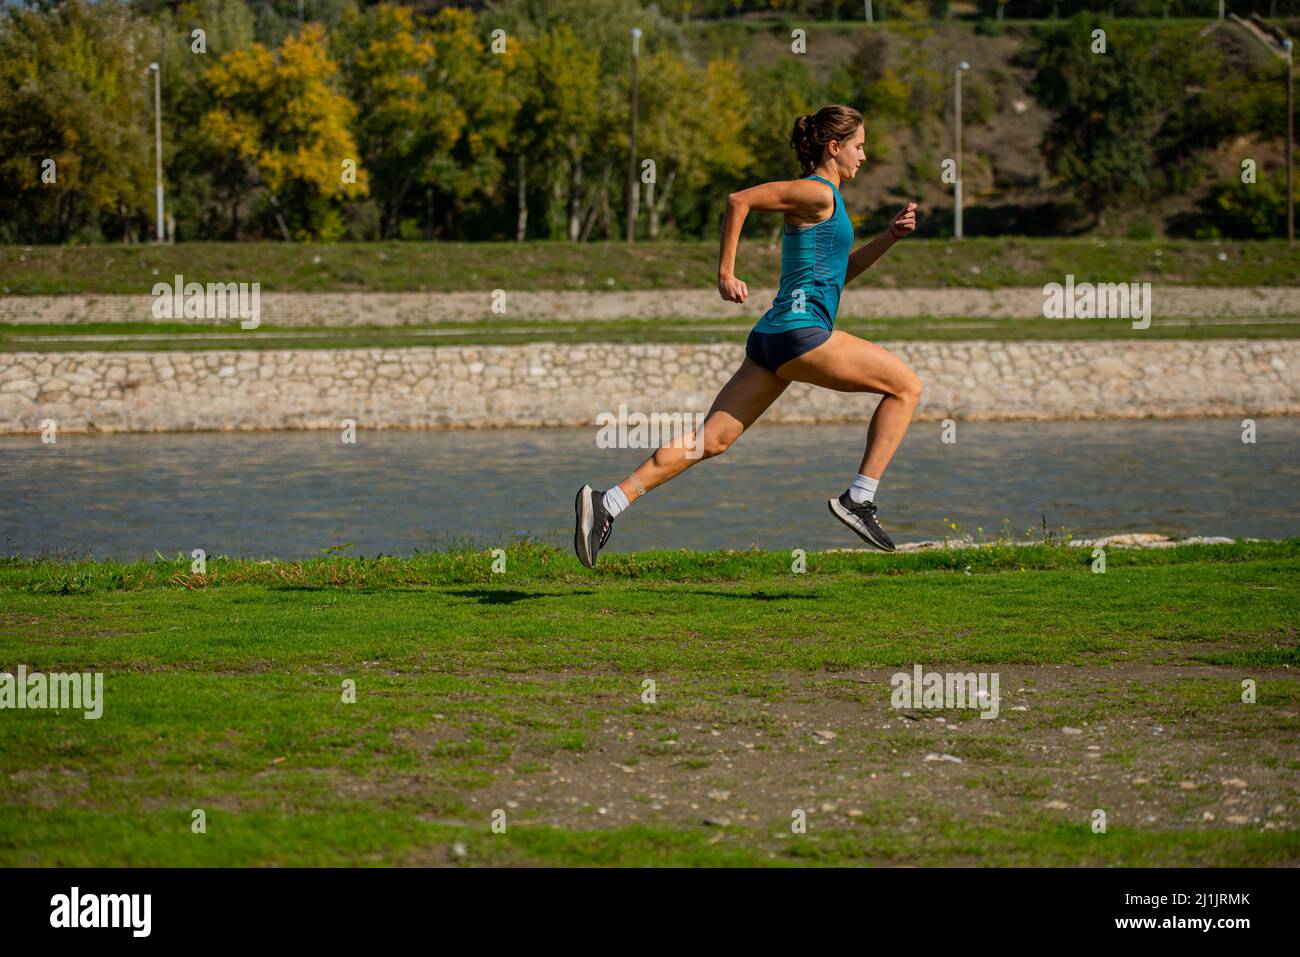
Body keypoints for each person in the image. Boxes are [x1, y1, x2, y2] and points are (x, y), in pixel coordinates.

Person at [575, 104, 921, 568]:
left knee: (711, 440)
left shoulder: (827, 202)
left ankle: (609, 503)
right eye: (859, 146)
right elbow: (739, 200)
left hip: (771, 339)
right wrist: (725, 272)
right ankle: (859, 498)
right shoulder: (815, 192)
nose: (864, 155)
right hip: (802, 334)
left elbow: (840, 275)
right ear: (834, 147)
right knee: (905, 386)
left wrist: (889, 238)